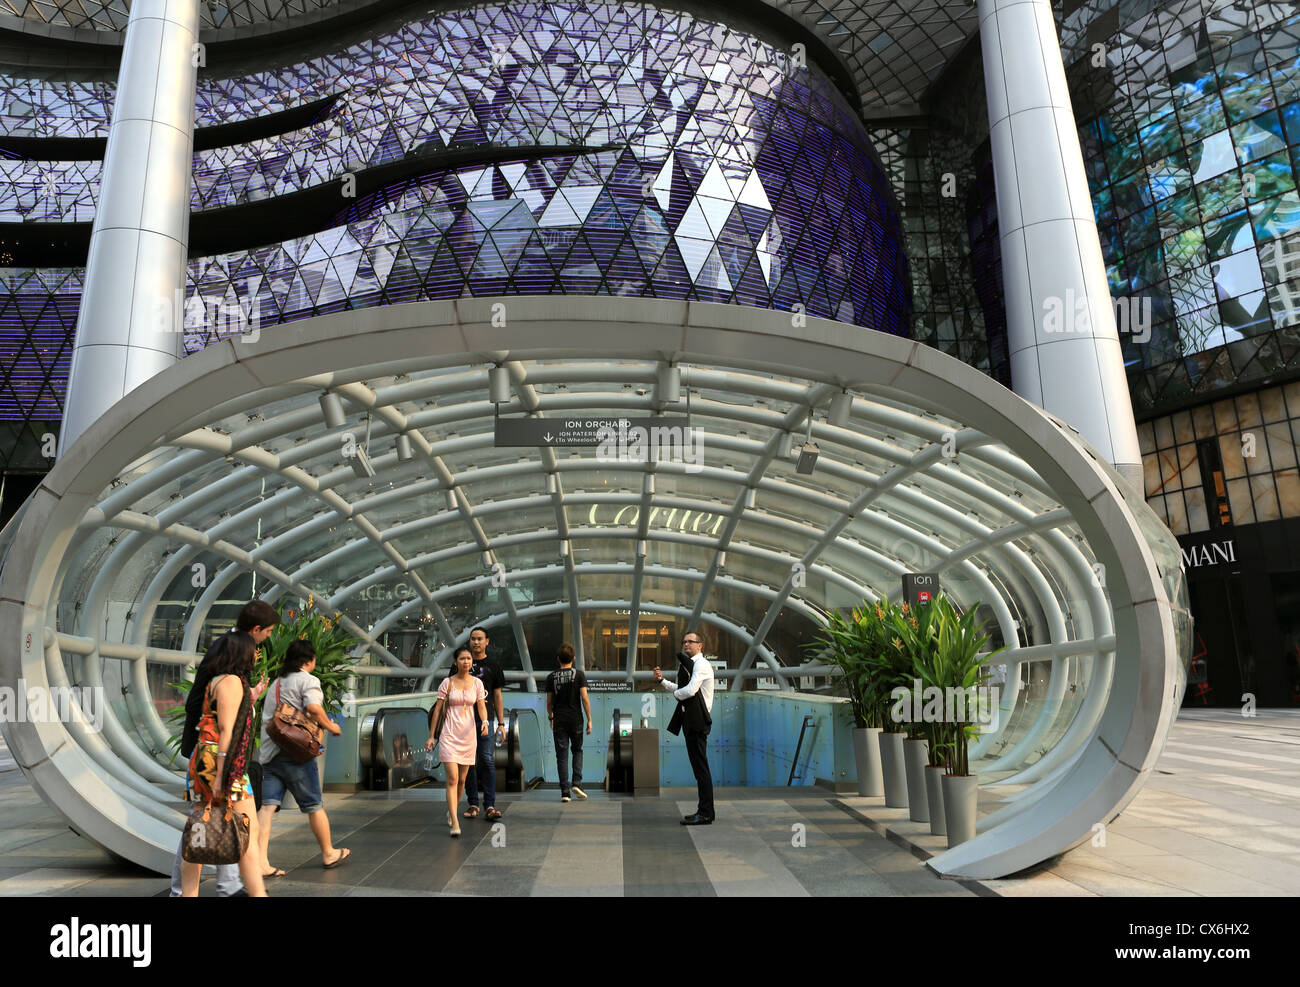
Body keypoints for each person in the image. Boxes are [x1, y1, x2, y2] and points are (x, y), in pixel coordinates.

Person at [169, 600, 278, 897]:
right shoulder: (230, 681)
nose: (258, 652)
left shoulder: (225, 679)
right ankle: (231, 891)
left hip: (220, 764)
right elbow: (227, 731)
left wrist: (249, 699)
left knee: (208, 829)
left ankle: (195, 893)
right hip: (222, 764)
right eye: (257, 643)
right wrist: (220, 777)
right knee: (225, 832)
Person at [257, 640, 350, 874]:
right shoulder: (308, 680)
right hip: (296, 755)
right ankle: (328, 852)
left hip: (270, 753)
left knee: (267, 808)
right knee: (313, 805)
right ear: (309, 661)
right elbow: (314, 708)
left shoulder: (277, 684)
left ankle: (260, 863)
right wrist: (331, 726)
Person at [654, 631, 715, 825]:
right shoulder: (690, 665)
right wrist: (662, 681)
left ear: (700, 645)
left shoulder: (701, 665)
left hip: (698, 721)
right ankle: (704, 810)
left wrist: (677, 694)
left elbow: (690, 690)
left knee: (701, 769)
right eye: (684, 642)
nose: (686, 644)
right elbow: (682, 687)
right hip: (691, 720)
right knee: (699, 770)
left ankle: (706, 813)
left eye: (691, 641)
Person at [427, 647, 489, 836]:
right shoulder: (447, 683)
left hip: (468, 736)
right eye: (462, 658)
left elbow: (480, 706)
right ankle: (454, 821)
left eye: (469, 658)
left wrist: (485, 722)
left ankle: (451, 810)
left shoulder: (477, 683)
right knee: (452, 778)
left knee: (462, 779)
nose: (466, 662)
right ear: (456, 662)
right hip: (449, 734)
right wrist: (431, 736)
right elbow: (437, 710)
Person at [462, 626, 505, 821]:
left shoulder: (493, 666)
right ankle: (472, 802)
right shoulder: (461, 664)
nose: (476, 642)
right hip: (463, 722)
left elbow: (497, 695)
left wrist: (502, 723)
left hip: (486, 720)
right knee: (469, 763)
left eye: (480, 639)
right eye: (473, 639)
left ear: (487, 641)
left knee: (487, 760)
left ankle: (489, 804)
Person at [545, 642, 592, 802]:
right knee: (577, 750)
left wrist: (551, 717)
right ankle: (576, 783)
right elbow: (584, 698)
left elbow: (549, 702)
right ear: (574, 658)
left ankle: (565, 791)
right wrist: (589, 719)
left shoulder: (551, 677)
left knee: (562, 756)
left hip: (559, 720)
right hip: (576, 719)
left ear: (558, 659)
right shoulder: (579, 675)